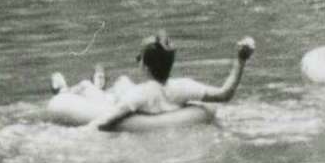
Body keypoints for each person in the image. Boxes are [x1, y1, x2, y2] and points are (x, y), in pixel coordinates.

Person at [52, 32, 255, 131]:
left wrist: (75, 134)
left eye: (139, 58)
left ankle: (64, 89)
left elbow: (105, 121)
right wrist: (240, 60)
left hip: (120, 102)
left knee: (93, 86)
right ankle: (99, 82)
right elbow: (225, 94)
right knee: (123, 82)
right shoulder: (183, 87)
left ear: (145, 67)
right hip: (159, 103)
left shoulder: (140, 94)